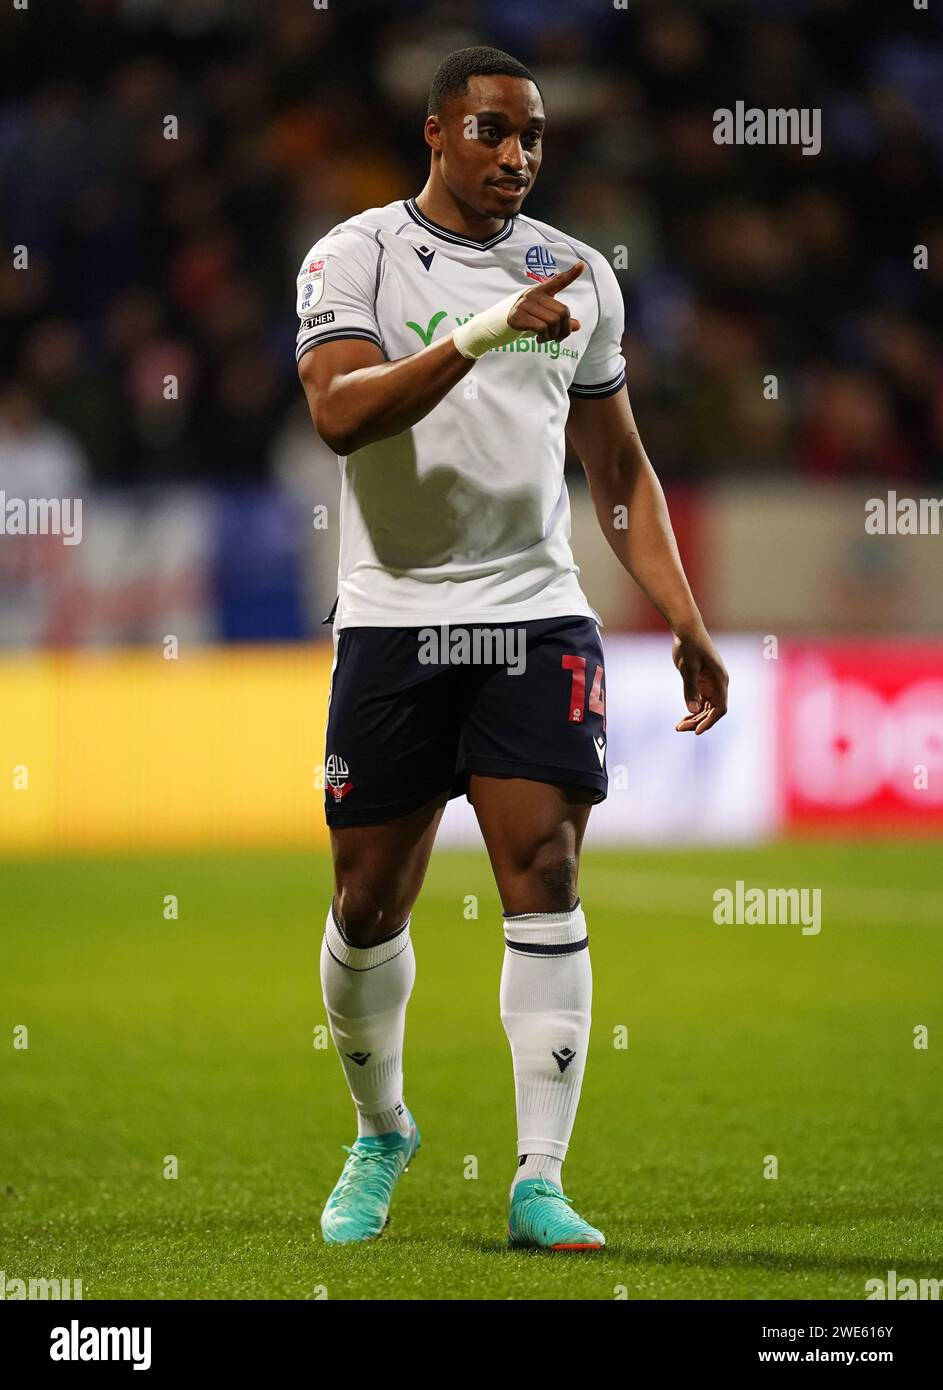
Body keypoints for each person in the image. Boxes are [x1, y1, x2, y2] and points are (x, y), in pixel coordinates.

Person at [296, 46, 728, 1251]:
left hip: (533, 615)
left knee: (543, 869)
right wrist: (480, 330)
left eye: (533, 136)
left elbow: (619, 467)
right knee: (366, 901)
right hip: (391, 620)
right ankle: (382, 1129)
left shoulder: (582, 275)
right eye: (492, 130)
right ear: (436, 133)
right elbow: (340, 414)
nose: (518, 155)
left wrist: (681, 613)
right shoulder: (354, 257)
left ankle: (538, 1178)